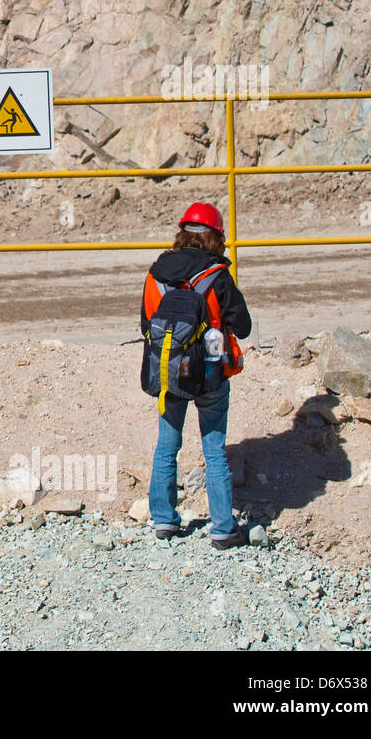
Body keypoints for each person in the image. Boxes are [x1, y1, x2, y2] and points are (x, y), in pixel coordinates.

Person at [140, 202, 252, 550]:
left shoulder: (156, 272)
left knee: (166, 447)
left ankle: (164, 522)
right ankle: (222, 528)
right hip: (209, 373)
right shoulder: (218, 275)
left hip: (168, 373)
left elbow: (146, 325)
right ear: (216, 237)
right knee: (214, 450)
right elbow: (243, 327)